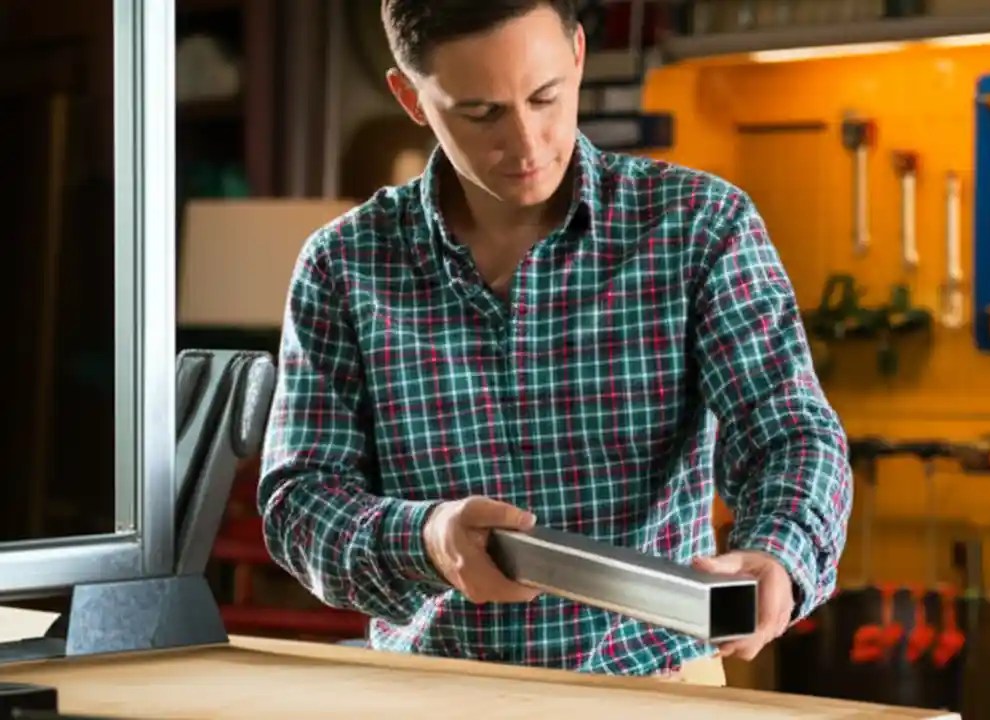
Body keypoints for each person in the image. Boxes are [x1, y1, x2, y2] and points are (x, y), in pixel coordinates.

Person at [257, 0, 852, 684]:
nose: (529, 143)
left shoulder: (699, 227)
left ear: (576, 54)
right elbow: (300, 500)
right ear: (411, 97)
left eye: (545, 97)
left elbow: (790, 434)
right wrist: (425, 541)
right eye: (482, 114)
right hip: (437, 696)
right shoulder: (344, 266)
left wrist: (779, 552)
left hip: (658, 690)